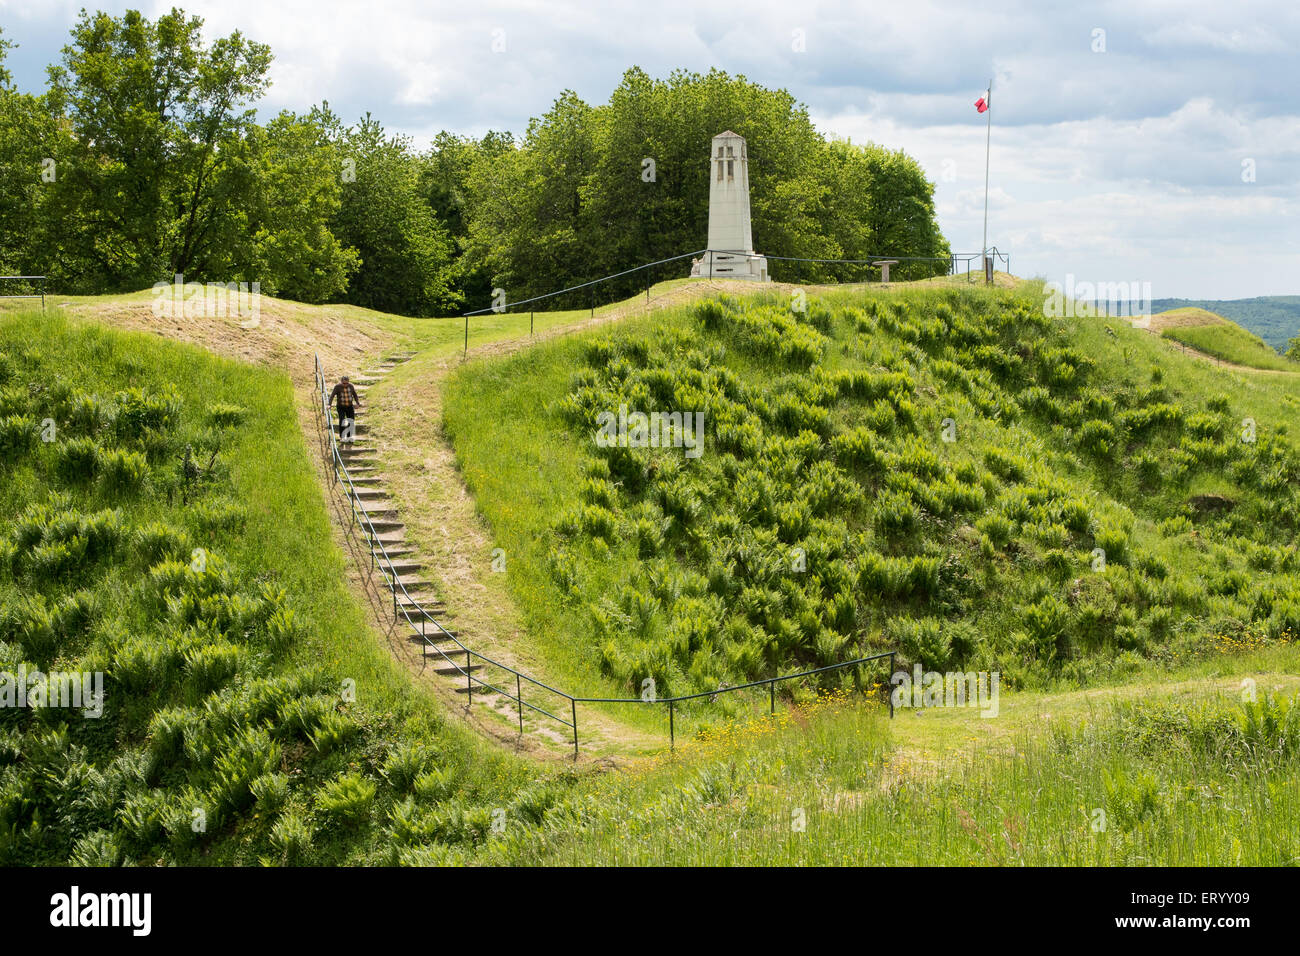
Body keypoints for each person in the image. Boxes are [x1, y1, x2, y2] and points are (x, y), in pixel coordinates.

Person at [328, 375, 361, 443]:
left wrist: (357, 403)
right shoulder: (337, 387)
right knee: (342, 420)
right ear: (341, 382)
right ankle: (342, 437)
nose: (345, 385)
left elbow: (355, 395)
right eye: (344, 383)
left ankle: (350, 437)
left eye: (347, 383)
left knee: (351, 421)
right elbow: (332, 396)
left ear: (348, 382)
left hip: (349, 406)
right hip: (341, 407)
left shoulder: (351, 386)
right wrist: (329, 404)